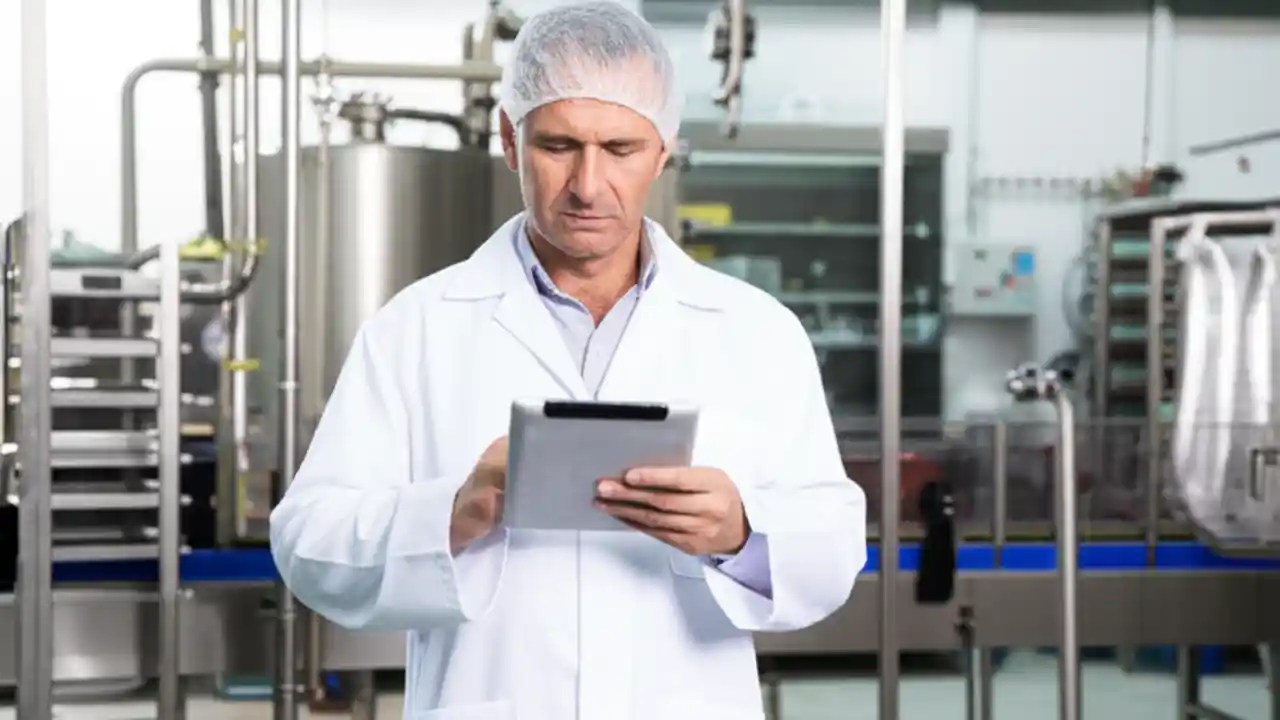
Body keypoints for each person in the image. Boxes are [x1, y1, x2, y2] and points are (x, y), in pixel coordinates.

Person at [269, 2, 867, 718]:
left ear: (664, 147)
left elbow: (833, 549)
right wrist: (450, 513)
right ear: (508, 140)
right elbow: (307, 543)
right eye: (559, 146)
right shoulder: (417, 328)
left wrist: (741, 533)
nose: (588, 185)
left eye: (620, 149)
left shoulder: (755, 331)